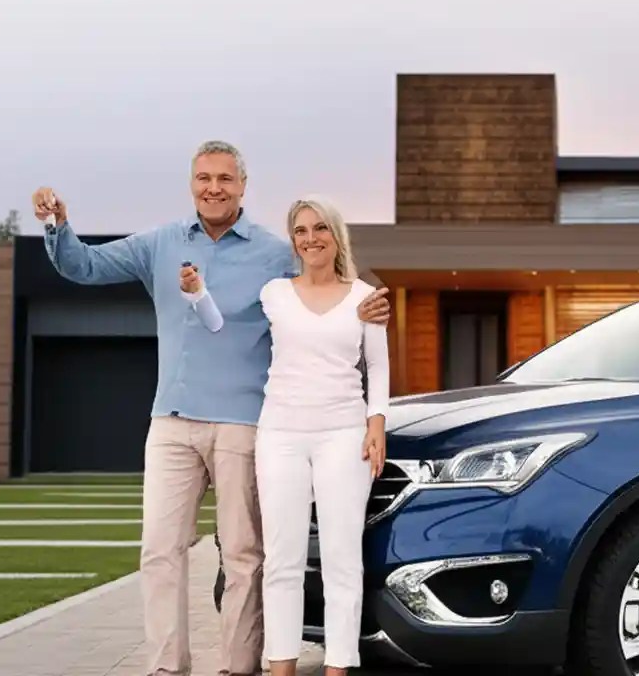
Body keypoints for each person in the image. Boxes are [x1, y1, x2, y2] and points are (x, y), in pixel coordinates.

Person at [29, 140, 391, 676]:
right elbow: (85, 266)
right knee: (158, 551)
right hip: (171, 420)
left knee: (245, 556)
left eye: (225, 178)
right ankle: (167, 666)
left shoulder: (275, 251)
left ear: (243, 186)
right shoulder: (160, 244)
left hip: (245, 423)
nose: (213, 188)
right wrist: (58, 225)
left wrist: (374, 300)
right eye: (204, 178)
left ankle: (240, 666)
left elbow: (329, 273)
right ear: (192, 183)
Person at [254, 197, 388, 675]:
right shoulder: (273, 293)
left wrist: (377, 424)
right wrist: (194, 293)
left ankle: (337, 666)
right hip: (280, 434)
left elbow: (377, 365)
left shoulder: (364, 298)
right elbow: (223, 324)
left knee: (341, 559)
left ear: (336, 235)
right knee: (282, 559)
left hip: (343, 435)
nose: (310, 238)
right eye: (300, 230)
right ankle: (281, 666)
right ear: (293, 240)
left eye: (319, 228)